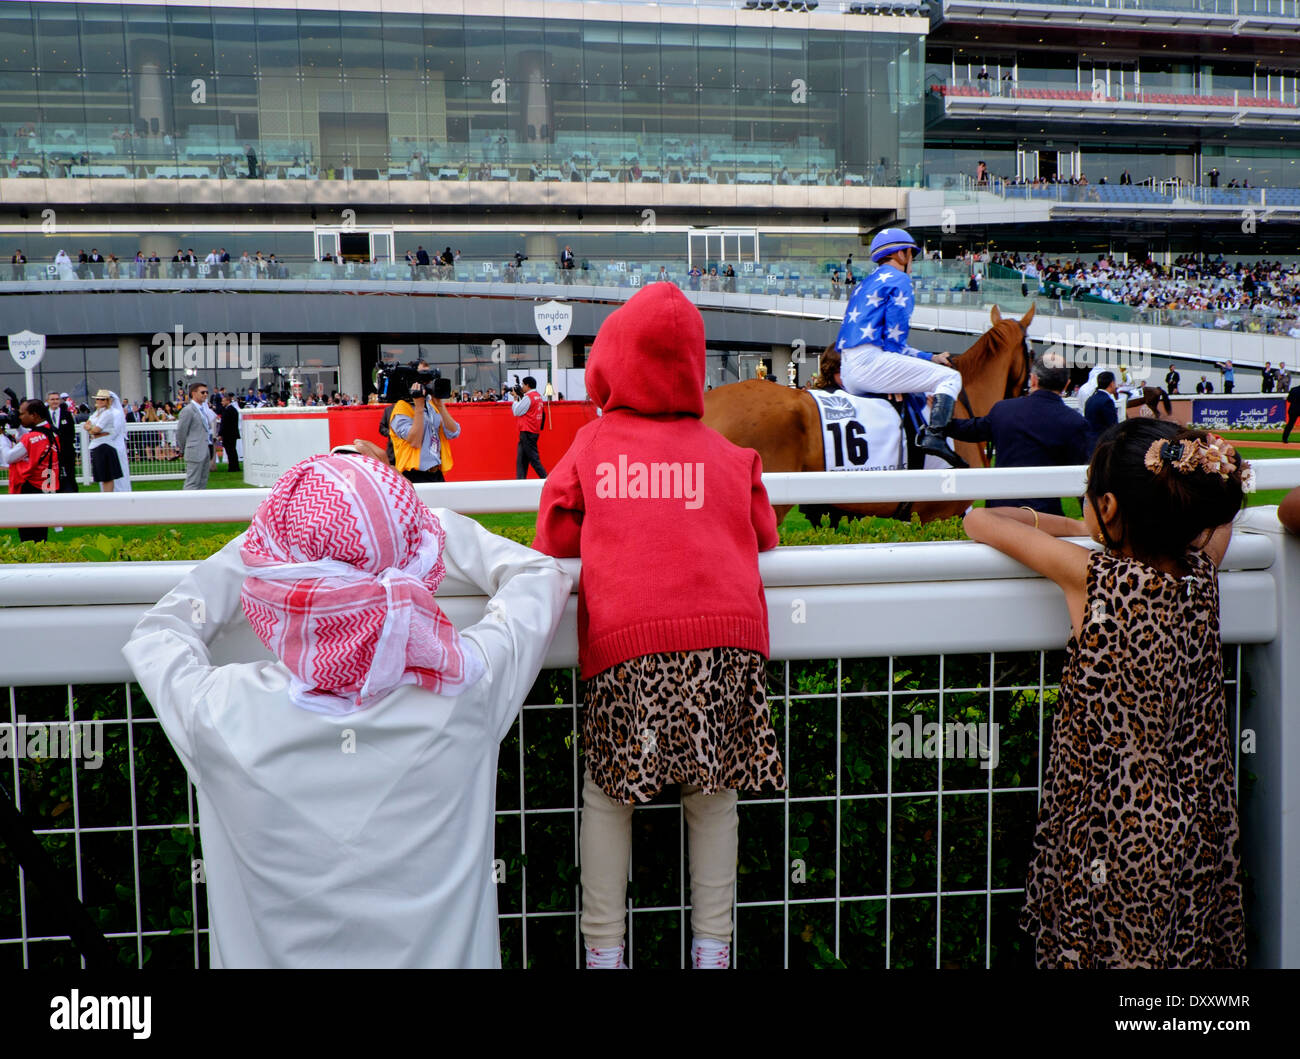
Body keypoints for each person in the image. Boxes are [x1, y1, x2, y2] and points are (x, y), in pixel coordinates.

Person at [121, 453, 572, 967]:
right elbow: (540, 577)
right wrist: (413, 519)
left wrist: (267, 542)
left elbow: (162, 630)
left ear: (276, 577)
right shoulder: (467, 686)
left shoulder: (218, 711)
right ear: (417, 566)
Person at [533, 283, 784, 970]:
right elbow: (766, 533)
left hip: (628, 648)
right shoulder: (731, 454)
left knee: (610, 797)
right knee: (713, 796)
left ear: (613, 360)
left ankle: (606, 951)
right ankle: (711, 948)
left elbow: (551, 536)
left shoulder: (590, 445)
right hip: (728, 646)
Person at [964, 419, 1249, 968]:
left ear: (1110, 508)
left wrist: (1076, 524)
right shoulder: (1201, 572)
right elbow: (1220, 521)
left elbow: (980, 519)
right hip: (1201, 824)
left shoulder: (1092, 574)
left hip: (1110, 832)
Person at [834, 228, 963, 464]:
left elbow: (886, 342)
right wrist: (915, 364)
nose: (912, 260)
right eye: (911, 253)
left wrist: (928, 357)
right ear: (901, 254)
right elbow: (895, 343)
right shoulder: (900, 279)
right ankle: (935, 437)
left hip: (849, 370)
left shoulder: (866, 282)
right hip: (871, 364)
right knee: (951, 378)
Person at [944, 354, 1090, 514]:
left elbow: (970, 430)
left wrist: (941, 415)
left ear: (1033, 380)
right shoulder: (1075, 422)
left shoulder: (1003, 410)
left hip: (1000, 512)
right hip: (1045, 516)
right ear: (1067, 384)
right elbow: (1082, 476)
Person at [0, 399, 61, 543]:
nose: (19, 417)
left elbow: (9, 457)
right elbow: (29, 440)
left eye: (22, 414)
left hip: (30, 485)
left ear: (34, 415)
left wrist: (2, 436)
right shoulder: (51, 431)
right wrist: (19, 428)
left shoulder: (32, 437)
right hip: (47, 482)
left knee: (28, 535)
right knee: (41, 532)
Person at [389, 363, 461, 483]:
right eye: (423, 378)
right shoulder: (402, 408)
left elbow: (454, 432)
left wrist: (440, 405)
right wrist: (419, 406)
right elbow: (415, 441)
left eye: (429, 378)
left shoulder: (431, 404)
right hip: (413, 475)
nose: (428, 382)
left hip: (436, 473)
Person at [85, 388, 131, 492]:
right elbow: (89, 426)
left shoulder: (116, 413)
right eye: (98, 399)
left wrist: (94, 431)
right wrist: (94, 431)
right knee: (104, 476)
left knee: (116, 476)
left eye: (103, 399)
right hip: (100, 446)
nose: (100, 401)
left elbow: (113, 431)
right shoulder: (97, 413)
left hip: (114, 446)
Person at [176, 381, 212, 490]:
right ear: (194, 393)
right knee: (192, 483)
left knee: (202, 481)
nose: (205, 395)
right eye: (203, 392)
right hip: (194, 450)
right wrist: (182, 449)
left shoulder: (202, 409)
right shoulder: (188, 410)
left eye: (206, 392)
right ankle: (186, 505)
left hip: (204, 450)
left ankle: (199, 505)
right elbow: (181, 432)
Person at [511, 376, 546, 480]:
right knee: (521, 459)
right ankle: (520, 481)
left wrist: (515, 399)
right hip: (531, 431)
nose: (522, 387)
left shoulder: (529, 397)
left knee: (534, 460)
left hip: (527, 432)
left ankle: (547, 479)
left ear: (527, 385)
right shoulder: (537, 396)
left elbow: (516, 411)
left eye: (523, 385)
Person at [46, 390, 78, 493]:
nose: (55, 401)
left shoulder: (67, 414)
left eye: (57, 399)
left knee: (70, 476)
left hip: (66, 452)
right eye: (52, 399)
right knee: (51, 477)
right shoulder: (43, 415)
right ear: (47, 401)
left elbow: (71, 433)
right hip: (50, 453)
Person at [1083, 370, 1119, 451]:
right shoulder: (1107, 401)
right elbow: (1113, 425)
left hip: (1090, 442)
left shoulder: (1090, 399)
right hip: (1102, 443)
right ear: (1112, 383)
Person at [220, 394, 241, 473]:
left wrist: (220, 434)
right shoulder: (232, 410)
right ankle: (234, 466)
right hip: (232, 434)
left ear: (228, 401)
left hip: (228, 434)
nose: (222, 402)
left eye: (223, 401)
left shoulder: (228, 410)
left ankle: (233, 467)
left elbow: (224, 423)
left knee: (230, 451)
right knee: (232, 451)